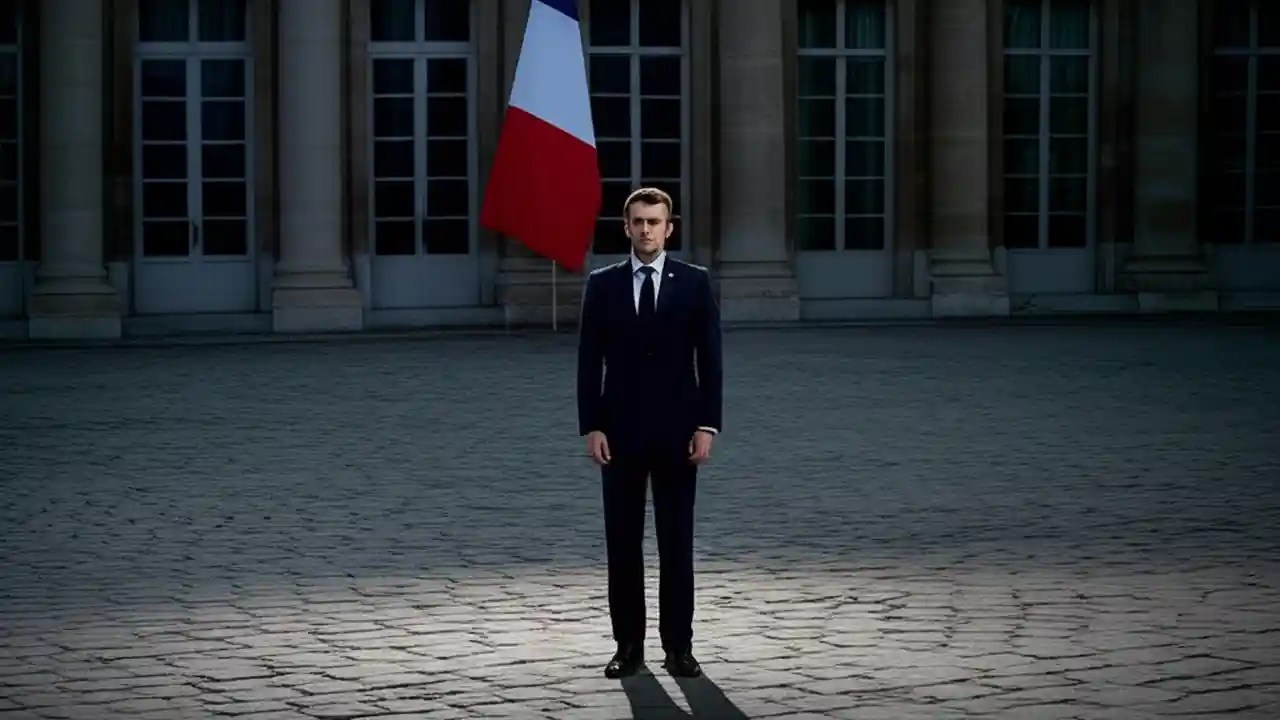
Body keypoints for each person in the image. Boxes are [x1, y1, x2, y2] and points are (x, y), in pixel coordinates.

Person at [576, 186, 723, 679]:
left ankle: (679, 647)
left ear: (669, 227)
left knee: (676, 543)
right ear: (625, 227)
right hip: (618, 435)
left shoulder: (695, 283)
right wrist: (591, 424)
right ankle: (628, 646)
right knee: (623, 544)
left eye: (654, 222)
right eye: (637, 222)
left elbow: (712, 361)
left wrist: (707, 425)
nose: (646, 230)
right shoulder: (602, 285)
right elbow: (587, 362)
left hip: (680, 435)